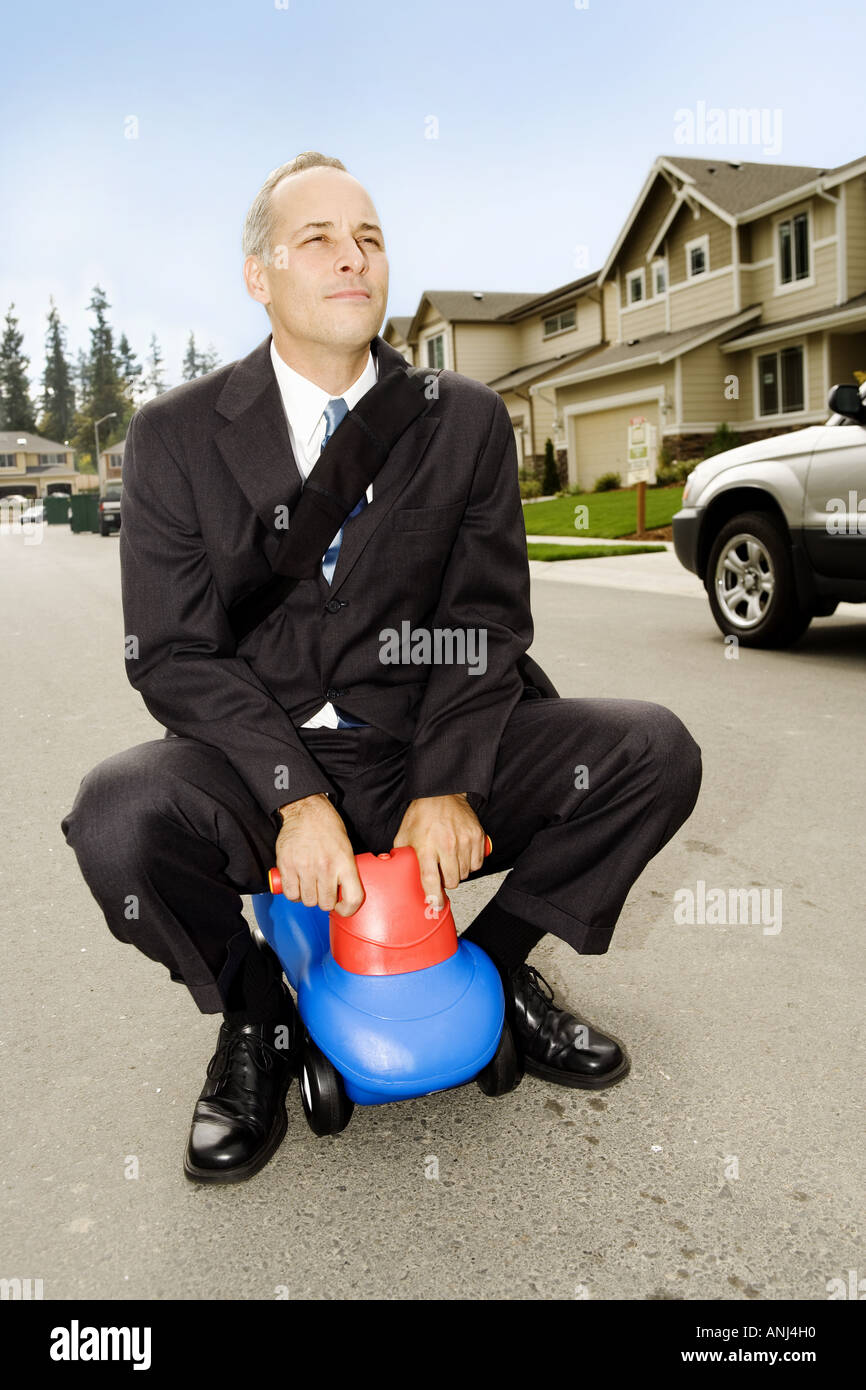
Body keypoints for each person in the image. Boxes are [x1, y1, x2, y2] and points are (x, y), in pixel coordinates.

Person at [61, 151, 702, 1183]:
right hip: (257, 759)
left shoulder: (463, 418)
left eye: (368, 237)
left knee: (649, 751)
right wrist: (292, 793)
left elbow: (482, 623)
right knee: (116, 819)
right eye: (317, 237)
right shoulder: (173, 436)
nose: (351, 256)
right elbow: (173, 653)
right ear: (258, 274)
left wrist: (448, 777)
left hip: (418, 750)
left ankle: (494, 979)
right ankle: (257, 1018)